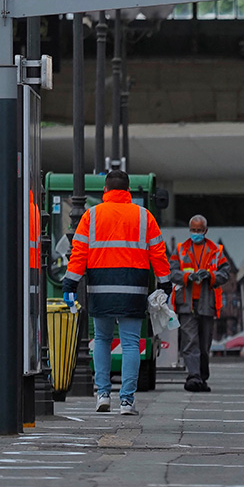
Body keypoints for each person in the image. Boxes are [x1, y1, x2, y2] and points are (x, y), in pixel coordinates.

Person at [63, 170, 171, 415]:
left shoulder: (91, 215)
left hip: (100, 287)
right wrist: (165, 283)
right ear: (128, 191)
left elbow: (78, 253)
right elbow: (158, 253)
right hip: (133, 287)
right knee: (131, 342)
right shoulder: (145, 217)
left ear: (105, 190)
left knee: (101, 339)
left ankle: (103, 394)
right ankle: (126, 401)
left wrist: (70, 283)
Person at [168, 215, 231, 392]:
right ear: (190, 230)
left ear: (205, 230)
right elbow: (171, 272)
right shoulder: (180, 249)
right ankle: (193, 376)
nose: (196, 233)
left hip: (207, 303)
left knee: (204, 344)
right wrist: (188, 276)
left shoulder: (216, 250)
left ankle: (201, 377)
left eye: (199, 230)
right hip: (187, 304)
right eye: (193, 230)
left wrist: (211, 276)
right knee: (190, 341)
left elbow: (225, 273)